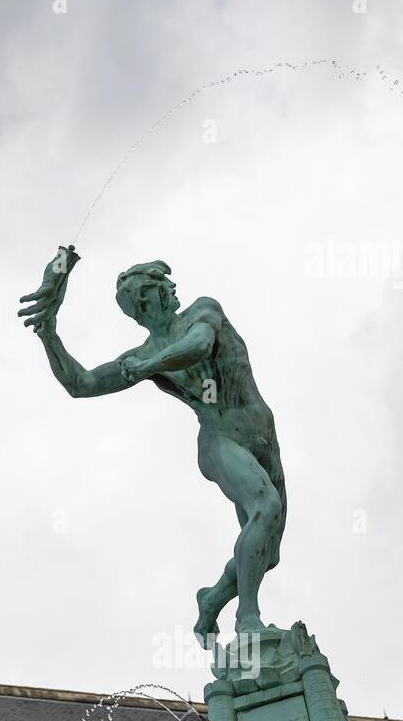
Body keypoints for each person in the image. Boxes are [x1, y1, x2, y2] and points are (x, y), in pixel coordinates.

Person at [20, 246, 286, 638]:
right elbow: (82, 384)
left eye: (153, 290)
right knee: (265, 506)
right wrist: (49, 334)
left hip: (263, 433)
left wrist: (149, 366)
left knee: (269, 552)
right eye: (141, 300)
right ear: (137, 309)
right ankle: (248, 619)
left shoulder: (202, 311)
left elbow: (197, 345)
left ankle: (211, 599)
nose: (154, 299)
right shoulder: (142, 354)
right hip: (219, 439)